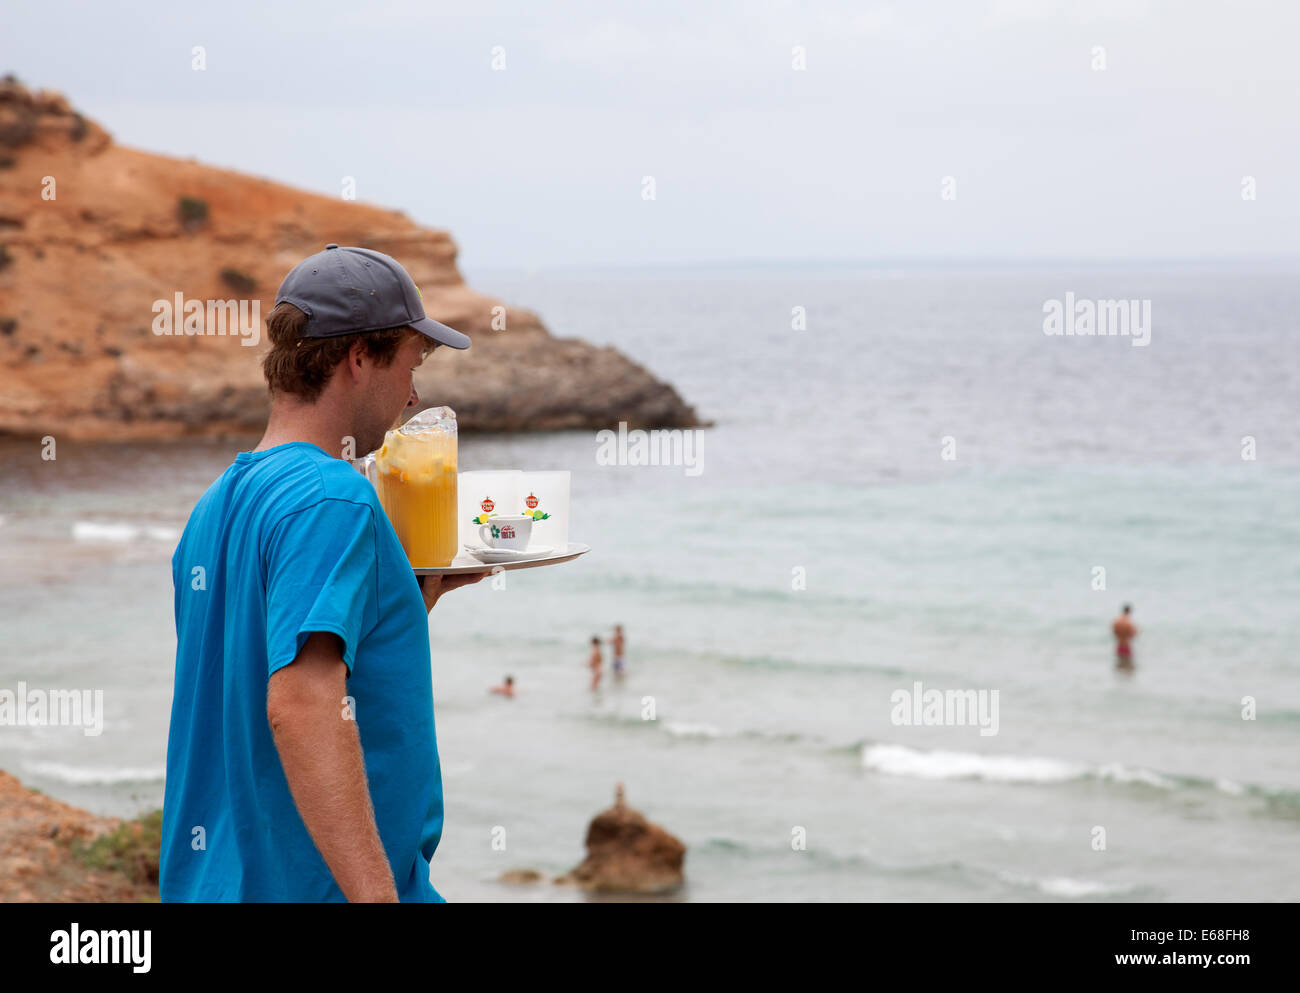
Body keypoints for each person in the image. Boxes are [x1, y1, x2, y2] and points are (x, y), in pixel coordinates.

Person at [160, 244, 488, 903]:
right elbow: (302, 703)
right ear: (359, 357)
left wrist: (398, 606)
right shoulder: (334, 497)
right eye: (409, 364)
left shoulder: (215, 506)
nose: (414, 393)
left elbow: (256, 676)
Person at [1112, 604, 1138, 670]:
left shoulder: (1117, 621)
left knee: (1119, 666)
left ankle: (1121, 679)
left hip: (1119, 645)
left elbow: (1114, 632)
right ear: (1129, 611)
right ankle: (1126, 680)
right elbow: (1133, 633)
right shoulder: (1128, 622)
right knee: (1129, 668)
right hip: (1126, 645)